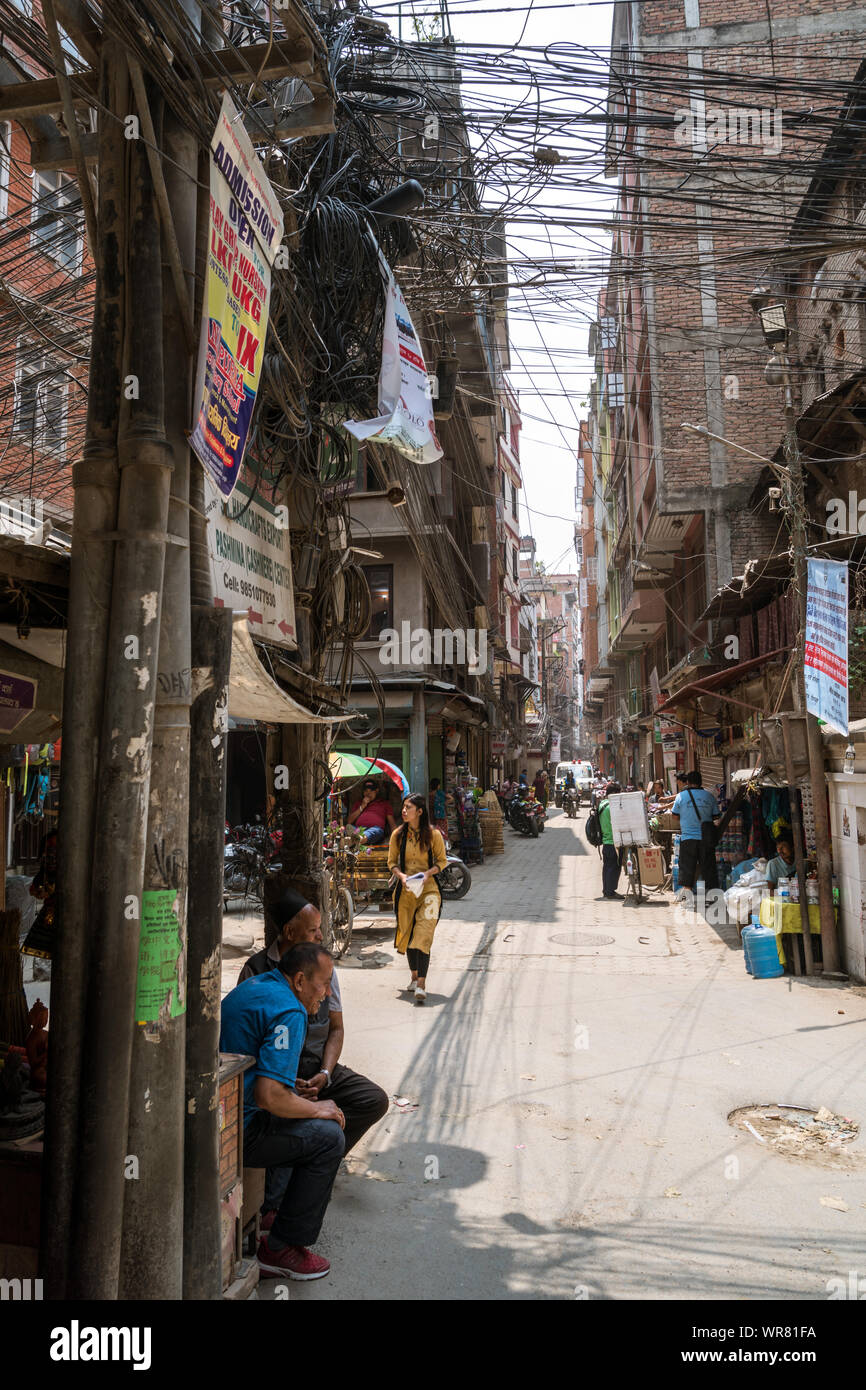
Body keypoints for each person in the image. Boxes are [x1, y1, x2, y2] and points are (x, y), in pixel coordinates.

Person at [239, 891, 389, 1226]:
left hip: (314, 1071)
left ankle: (314, 1172)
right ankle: (283, 1213)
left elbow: (336, 1028)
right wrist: (293, 1091)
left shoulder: (321, 967)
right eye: (313, 931)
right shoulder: (263, 977)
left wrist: (325, 1071)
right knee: (314, 1129)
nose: (321, 936)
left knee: (372, 1100)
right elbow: (258, 1069)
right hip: (273, 1081)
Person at [220, 941, 345, 1281]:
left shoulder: (259, 985)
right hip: (237, 1128)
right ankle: (280, 1249)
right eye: (323, 984)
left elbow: (268, 1080)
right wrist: (319, 1111)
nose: (327, 994)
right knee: (329, 1138)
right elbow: (268, 1097)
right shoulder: (290, 1011)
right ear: (301, 980)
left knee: (310, 1114)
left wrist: (297, 1096)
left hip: (223, 1110)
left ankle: (279, 1213)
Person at [388, 793, 448, 1005]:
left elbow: (442, 861)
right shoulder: (397, 835)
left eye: (408, 807)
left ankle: (421, 984)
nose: (404, 811)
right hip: (405, 893)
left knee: (423, 934)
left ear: (419, 811)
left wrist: (428, 873)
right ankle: (414, 977)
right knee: (408, 934)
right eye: (403, 807)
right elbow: (391, 863)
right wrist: (401, 876)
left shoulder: (434, 835)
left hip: (429, 891)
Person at [671, 770, 720, 894]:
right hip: (706, 839)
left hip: (688, 838)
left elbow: (675, 816)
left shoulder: (680, 797)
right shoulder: (709, 796)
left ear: (687, 782)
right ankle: (710, 895)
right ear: (701, 782)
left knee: (687, 868)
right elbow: (716, 817)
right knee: (708, 868)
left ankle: (688, 895)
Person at [347, 778, 397, 844]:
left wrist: (396, 838)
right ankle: (356, 838)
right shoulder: (358, 803)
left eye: (371, 791)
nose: (368, 793)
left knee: (376, 830)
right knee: (348, 827)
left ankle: (358, 839)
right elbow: (349, 821)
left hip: (375, 830)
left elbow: (392, 824)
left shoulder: (384, 804)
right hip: (358, 829)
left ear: (376, 791)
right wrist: (362, 806)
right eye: (366, 791)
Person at [598, 781, 623, 900]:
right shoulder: (611, 807)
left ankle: (606, 890)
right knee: (614, 867)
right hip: (613, 841)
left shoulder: (602, 804)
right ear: (613, 794)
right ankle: (610, 892)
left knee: (607, 866)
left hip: (605, 841)